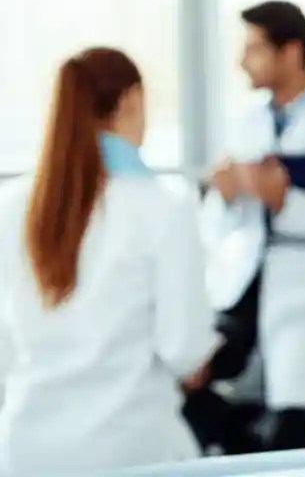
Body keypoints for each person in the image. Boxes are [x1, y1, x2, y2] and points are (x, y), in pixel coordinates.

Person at [0, 47, 219, 473]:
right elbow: (183, 349)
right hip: (128, 449)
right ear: (130, 101)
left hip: (24, 450)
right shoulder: (163, 209)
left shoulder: (11, 207)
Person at [189, 0, 305, 453]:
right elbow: (216, 228)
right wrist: (228, 194)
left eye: (254, 48)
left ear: (291, 51)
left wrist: (283, 200)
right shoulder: (246, 123)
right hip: (244, 284)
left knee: (290, 421)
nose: (241, 61)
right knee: (197, 389)